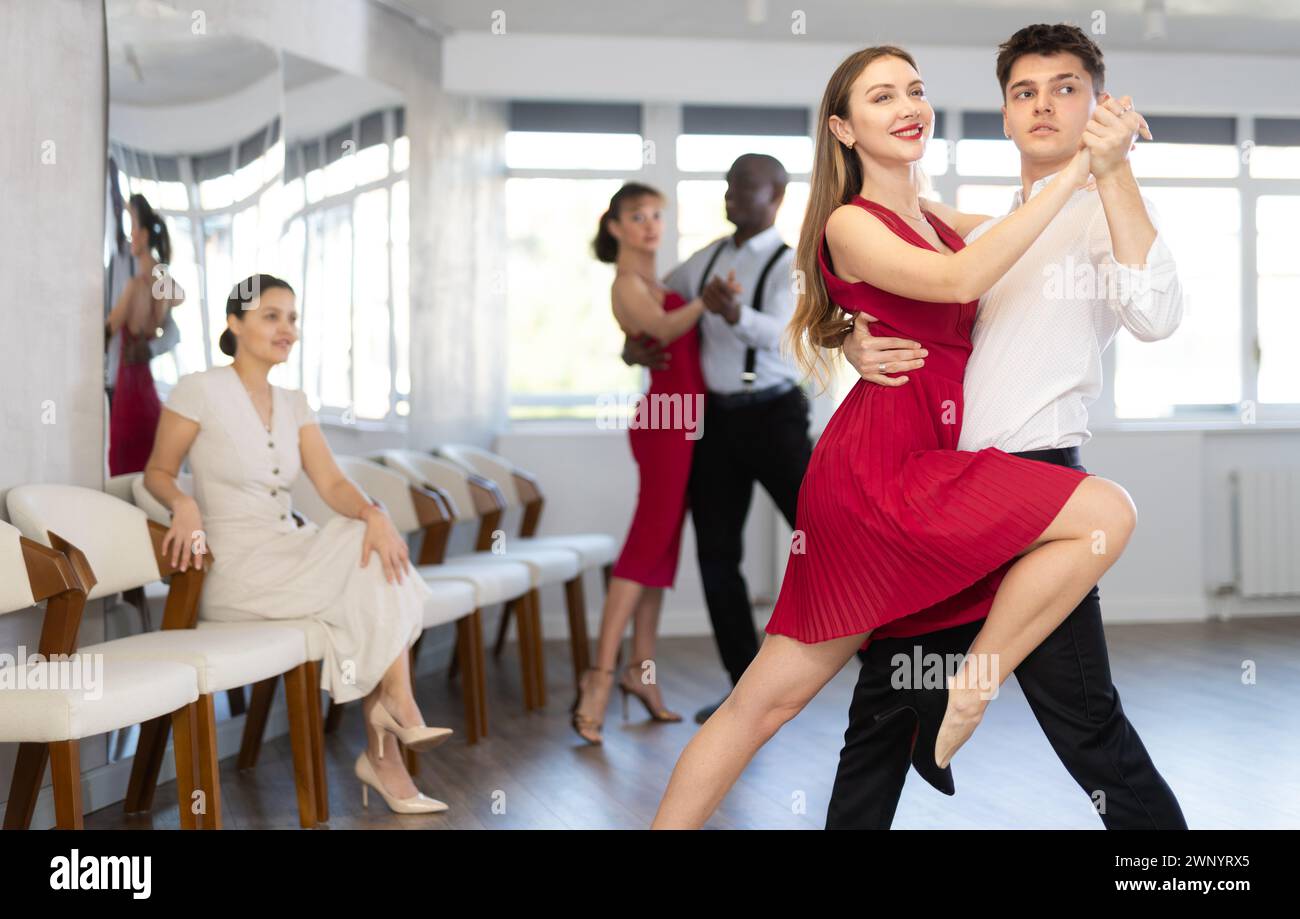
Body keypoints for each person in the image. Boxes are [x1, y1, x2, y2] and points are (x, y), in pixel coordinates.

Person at [652, 44, 1138, 829]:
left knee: (779, 701)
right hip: (878, 475)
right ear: (843, 128)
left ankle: (956, 684)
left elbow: (1030, 240)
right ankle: (968, 682)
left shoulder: (933, 215)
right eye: (881, 97)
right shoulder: (851, 221)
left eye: (914, 89)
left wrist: (1110, 173)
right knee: (762, 704)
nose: (908, 105)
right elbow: (960, 282)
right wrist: (1083, 165)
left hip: (930, 462)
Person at [826, 23, 1187, 829]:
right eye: (1025, 91)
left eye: (1066, 88)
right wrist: (850, 334)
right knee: (884, 715)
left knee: (1089, 727)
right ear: (1005, 114)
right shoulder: (992, 230)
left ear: (1099, 103)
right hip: (950, 495)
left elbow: (1157, 313)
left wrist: (1115, 168)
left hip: (1041, 495)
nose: (1044, 105)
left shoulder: (1102, 207)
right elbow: (904, 264)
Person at [144, 273, 453, 815]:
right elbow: (157, 472)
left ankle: (389, 733)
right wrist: (184, 504)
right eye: (270, 316)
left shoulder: (294, 402)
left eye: (292, 317)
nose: (287, 329)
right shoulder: (199, 389)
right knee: (366, 568)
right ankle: (388, 737)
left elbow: (331, 483)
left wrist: (374, 512)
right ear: (234, 323)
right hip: (237, 570)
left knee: (371, 544)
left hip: (292, 551)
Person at [624, 153, 813, 724]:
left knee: (825, 537)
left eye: (746, 188)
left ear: (775, 197)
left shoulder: (792, 264)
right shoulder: (706, 259)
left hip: (776, 416)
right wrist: (632, 343)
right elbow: (659, 305)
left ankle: (875, 670)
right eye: (729, 186)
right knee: (715, 555)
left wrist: (736, 317)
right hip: (717, 423)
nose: (732, 196)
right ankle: (743, 689)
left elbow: (790, 336)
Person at [571, 183, 718, 743]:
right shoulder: (627, 284)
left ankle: (642, 670)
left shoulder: (661, 281)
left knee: (661, 552)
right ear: (615, 227)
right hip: (664, 423)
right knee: (644, 546)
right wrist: (709, 302)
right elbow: (659, 331)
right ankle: (599, 678)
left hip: (688, 423)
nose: (651, 225)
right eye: (637, 217)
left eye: (656, 214)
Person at [106, 193, 184, 475]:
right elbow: (179, 298)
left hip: (128, 393)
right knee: (146, 471)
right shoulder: (161, 284)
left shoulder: (135, 286)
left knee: (123, 470)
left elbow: (106, 331)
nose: (130, 234)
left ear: (142, 234)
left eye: (134, 227)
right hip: (147, 396)